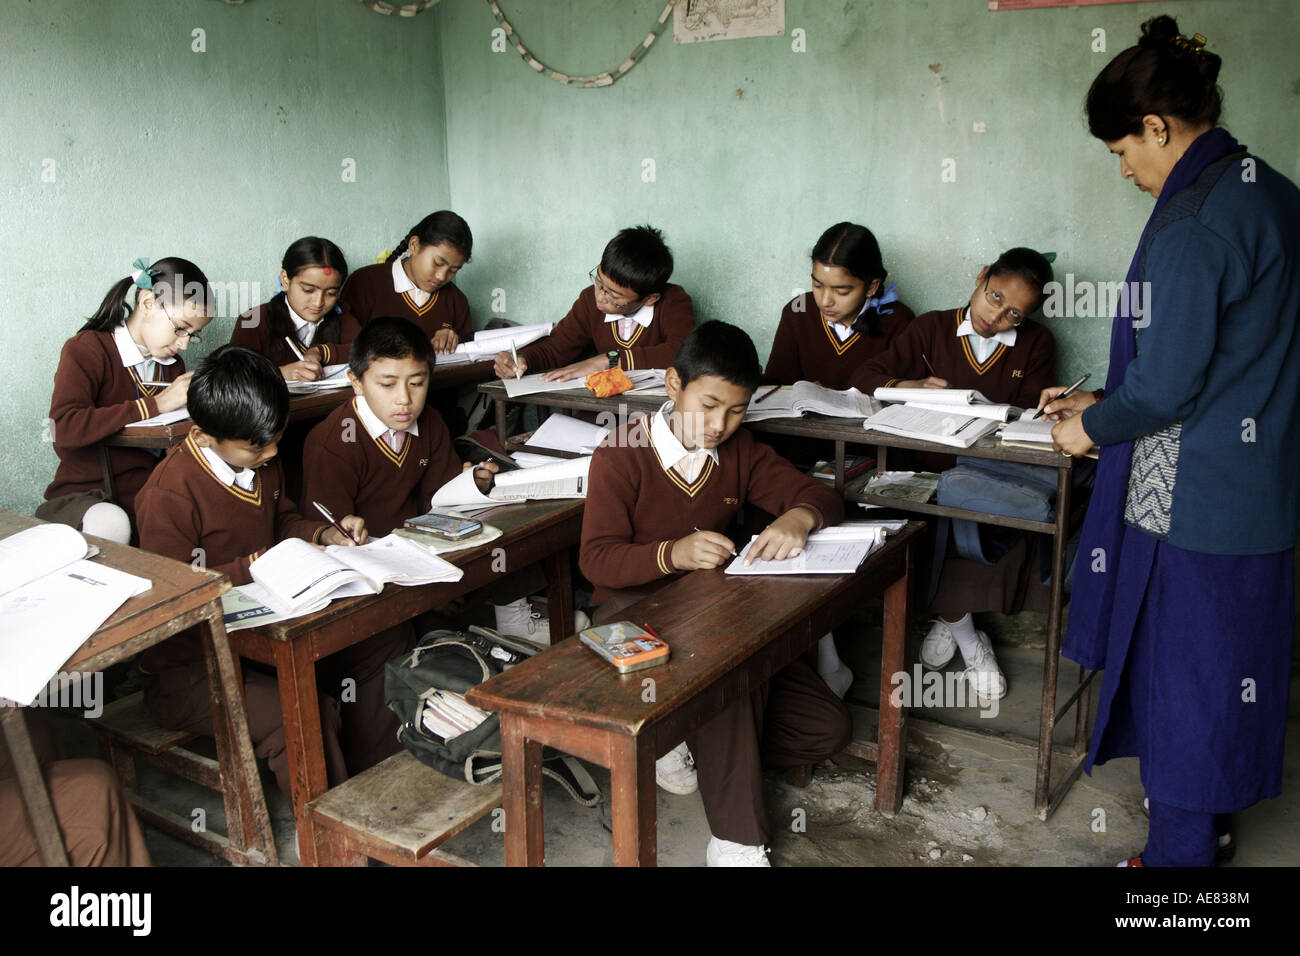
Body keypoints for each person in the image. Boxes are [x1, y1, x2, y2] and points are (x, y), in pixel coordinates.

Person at [1040, 15, 1300, 867]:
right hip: (1260, 479)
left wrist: (1087, 426)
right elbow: (1231, 351)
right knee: (1233, 666)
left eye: (1123, 151)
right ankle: (1213, 815)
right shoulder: (1270, 191)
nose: (1125, 171)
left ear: (1159, 127)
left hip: (1194, 500)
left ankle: (1182, 863)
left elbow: (1168, 385)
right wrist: (1108, 394)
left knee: (1185, 678)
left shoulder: (1193, 219)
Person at [580, 321, 851, 866]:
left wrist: (800, 516)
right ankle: (737, 843)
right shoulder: (621, 452)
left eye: (736, 410)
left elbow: (818, 493)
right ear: (673, 384)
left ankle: (681, 735)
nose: (720, 424)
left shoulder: (741, 451)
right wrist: (673, 554)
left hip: (709, 612)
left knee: (828, 728)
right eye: (708, 405)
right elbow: (596, 558)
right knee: (727, 673)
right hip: (629, 616)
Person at [134, 345, 371, 797]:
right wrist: (252, 567)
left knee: (346, 672)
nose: (274, 450)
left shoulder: (259, 459)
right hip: (187, 669)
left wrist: (325, 535)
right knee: (299, 714)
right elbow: (170, 593)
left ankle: (346, 805)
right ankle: (327, 840)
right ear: (203, 437)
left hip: (256, 639)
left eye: (277, 436)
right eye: (258, 445)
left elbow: (281, 520)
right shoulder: (169, 493)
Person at [853, 248, 1056, 701]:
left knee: (984, 527)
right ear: (981, 276)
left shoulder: (1037, 344)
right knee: (913, 523)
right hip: (923, 465)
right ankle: (967, 636)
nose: (995, 316)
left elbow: (1027, 417)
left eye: (1012, 314)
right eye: (993, 296)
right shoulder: (930, 328)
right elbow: (866, 375)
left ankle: (953, 621)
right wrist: (910, 386)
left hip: (986, 474)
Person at [301, 317, 587, 640]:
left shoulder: (430, 421)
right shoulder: (333, 443)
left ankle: (513, 618)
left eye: (417, 382)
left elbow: (441, 496)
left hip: (427, 546)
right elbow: (337, 544)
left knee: (499, 510)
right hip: (378, 572)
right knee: (424, 649)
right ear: (355, 381)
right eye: (387, 384)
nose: (404, 399)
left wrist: (471, 484)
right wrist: (422, 583)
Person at [39, 257, 214, 543]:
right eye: (181, 328)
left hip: (146, 495)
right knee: (112, 523)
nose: (183, 344)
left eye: (193, 336)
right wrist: (157, 404)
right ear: (148, 302)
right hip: (87, 497)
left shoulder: (172, 366)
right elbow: (64, 428)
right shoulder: (87, 349)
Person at [493, 225, 694, 381]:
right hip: (603, 405)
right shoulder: (589, 300)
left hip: (651, 414)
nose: (600, 296)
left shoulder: (673, 301)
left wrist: (609, 360)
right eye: (598, 282)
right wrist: (522, 360)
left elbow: (681, 352)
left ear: (650, 298)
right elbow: (557, 346)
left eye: (614, 296)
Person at [762, 221, 915, 389]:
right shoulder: (798, 310)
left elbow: (903, 391)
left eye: (841, 291)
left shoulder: (899, 321)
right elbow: (775, 384)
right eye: (818, 286)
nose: (825, 301)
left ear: (871, 287)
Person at [340, 211, 473, 354]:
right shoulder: (364, 283)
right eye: (438, 263)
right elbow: (348, 349)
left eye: (453, 270)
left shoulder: (457, 301)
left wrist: (455, 339)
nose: (442, 276)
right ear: (414, 245)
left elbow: (469, 353)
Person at [229, 236, 353, 381]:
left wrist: (321, 352)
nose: (318, 302)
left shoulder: (342, 314)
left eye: (331, 293)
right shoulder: (253, 320)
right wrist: (279, 374)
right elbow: (231, 377)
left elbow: (367, 352)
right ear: (285, 279)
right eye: (308, 290)